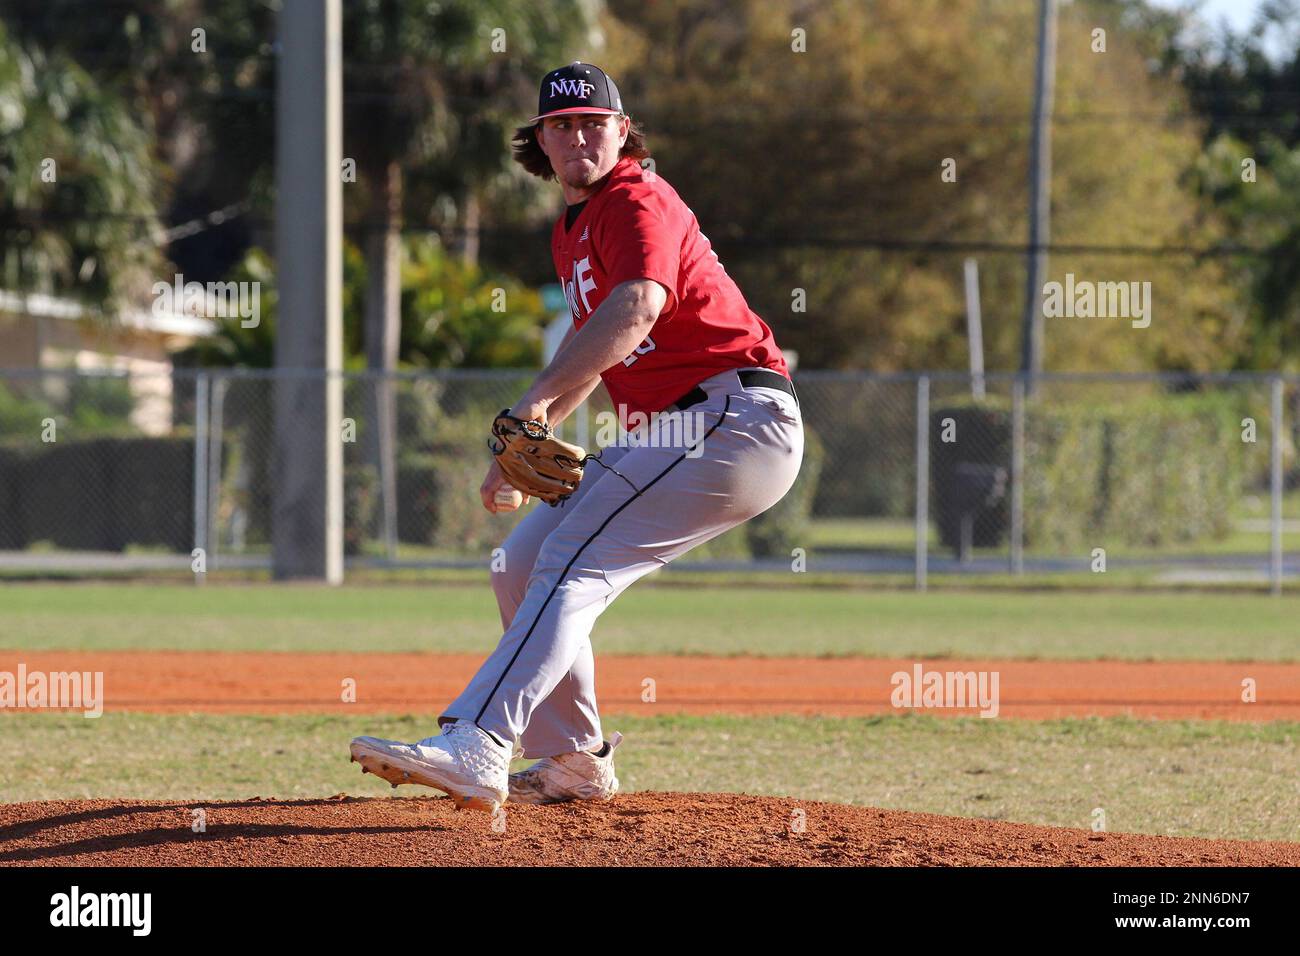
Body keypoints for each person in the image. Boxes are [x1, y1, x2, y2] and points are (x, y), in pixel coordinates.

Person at [351, 62, 804, 812]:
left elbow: (636, 310)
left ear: (623, 133)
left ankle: (479, 742)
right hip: (693, 427)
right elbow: (604, 348)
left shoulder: (636, 198)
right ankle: (572, 762)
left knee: (570, 560)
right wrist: (534, 434)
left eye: (595, 121)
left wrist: (529, 400)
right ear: (540, 141)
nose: (578, 135)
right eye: (561, 125)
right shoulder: (573, 230)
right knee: (521, 559)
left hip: (735, 418)